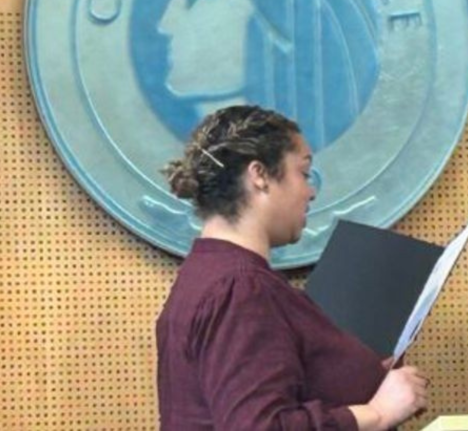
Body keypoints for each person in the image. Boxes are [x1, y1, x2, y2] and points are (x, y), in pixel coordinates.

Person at [156, 105, 428, 430]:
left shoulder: (210, 274)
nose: (310, 192)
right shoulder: (241, 288)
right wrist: (379, 413)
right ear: (259, 176)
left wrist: (359, 376)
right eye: (304, 173)